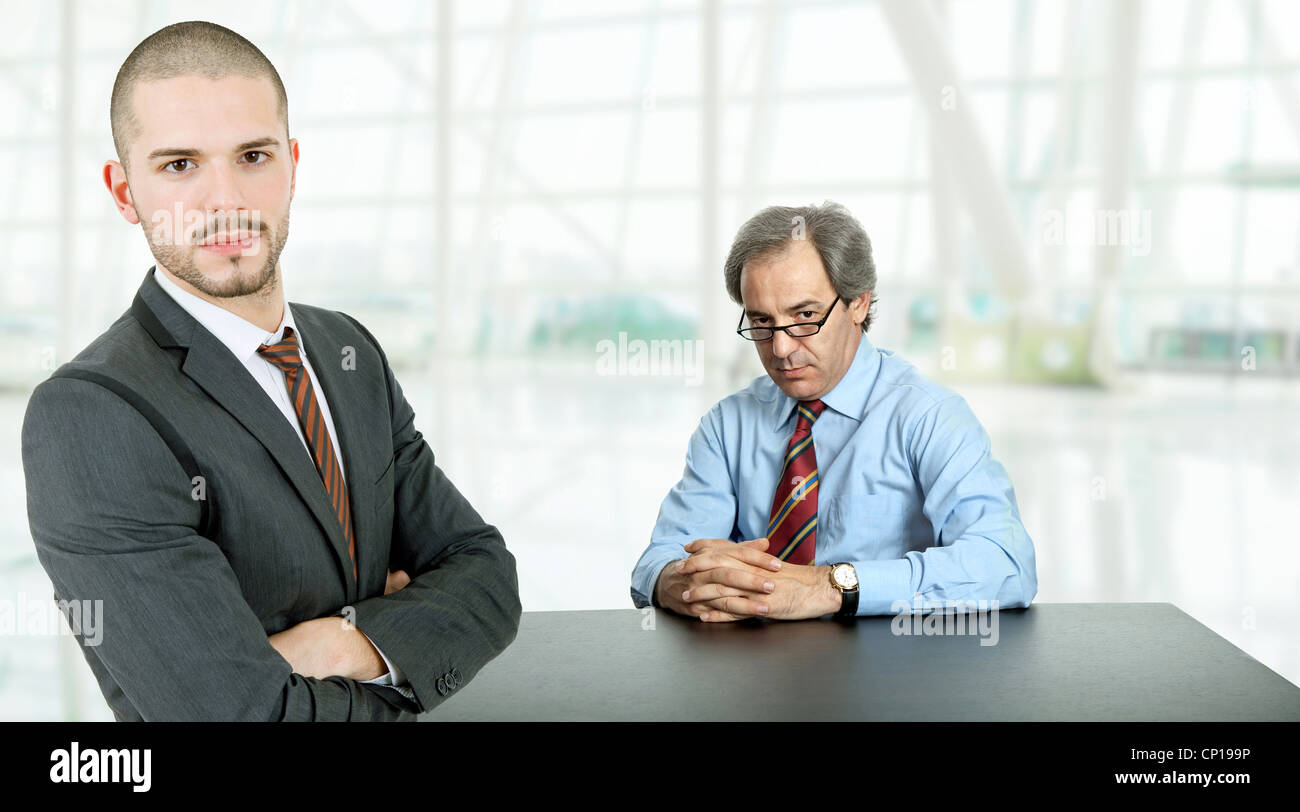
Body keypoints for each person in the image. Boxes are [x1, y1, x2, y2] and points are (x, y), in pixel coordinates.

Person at [21, 21, 520, 720]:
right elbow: (242, 715)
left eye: (252, 156)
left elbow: (487, 573)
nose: (226, 199)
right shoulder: (92, 414)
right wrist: (406, 629)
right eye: (179, 166)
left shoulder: (349, 352)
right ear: (124, 192)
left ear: (292, 164)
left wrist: (345, 644)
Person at [631, 201, 1037, 622]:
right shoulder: (726, 425)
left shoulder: (930, 417)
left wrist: (829, 586)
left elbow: (1007, 564)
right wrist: (683, 582)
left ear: (858, 304)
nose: (781, 348)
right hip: (749, 675)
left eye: (804, 316)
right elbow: (659, 559)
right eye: (761, 323)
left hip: (889, 673)